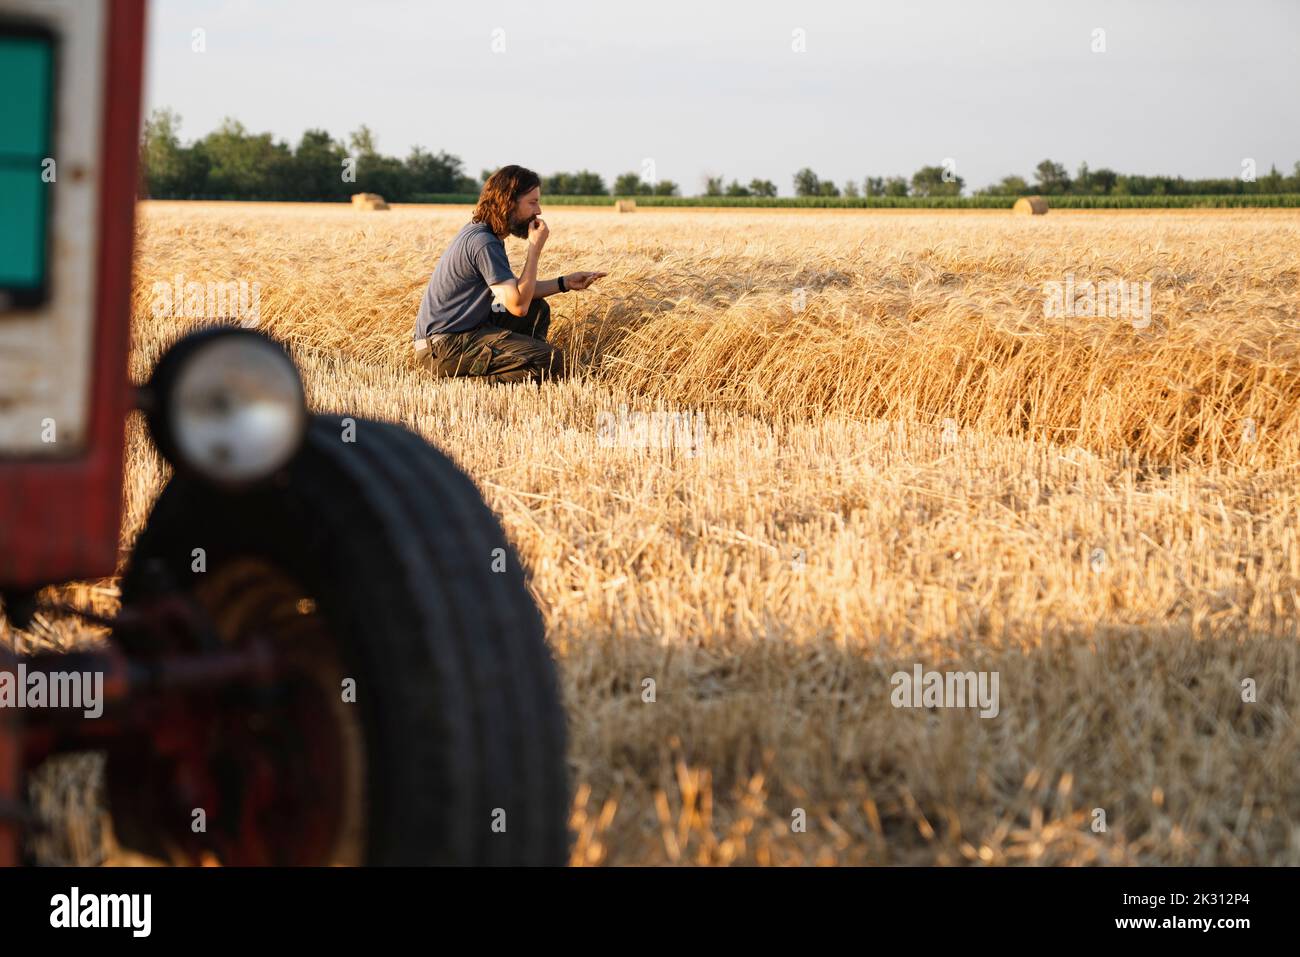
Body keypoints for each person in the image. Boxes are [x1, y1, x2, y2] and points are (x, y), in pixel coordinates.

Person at [411, 165, 607, 383]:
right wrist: (534, 249)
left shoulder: (485, 233)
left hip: (452, 338)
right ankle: (468, 383)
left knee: (538, 308)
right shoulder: (483, 242)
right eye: (532, 202)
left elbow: (518, 293)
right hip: (444, 346)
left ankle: (522, 358)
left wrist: (565, 283)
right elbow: (518, 306)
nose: (539, 211)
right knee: (550, 361)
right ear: (509, 202)